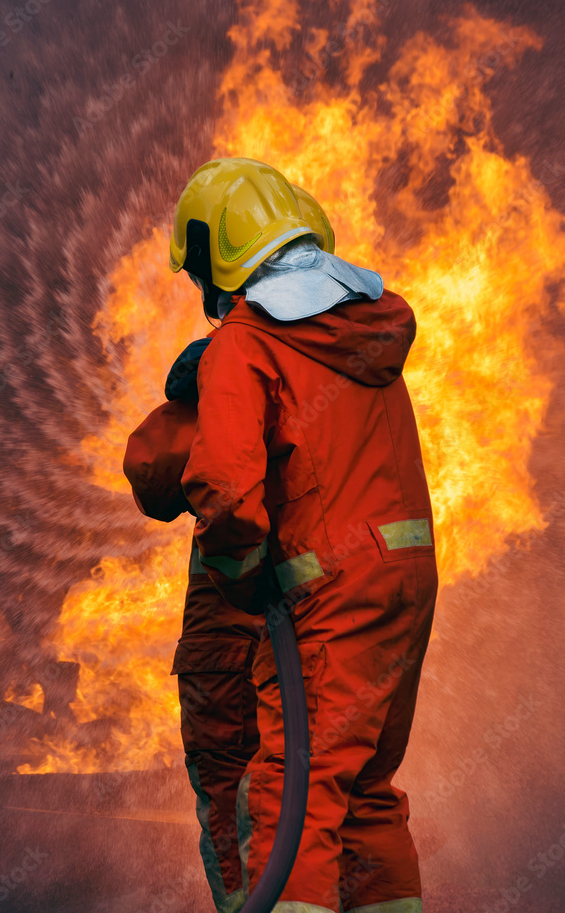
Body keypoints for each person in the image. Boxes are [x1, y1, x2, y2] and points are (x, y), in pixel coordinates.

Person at [123, 157, 438, 913]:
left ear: (215, 255)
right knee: (362, 787)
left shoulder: (247, 341)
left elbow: (221, 488)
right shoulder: (366, 331)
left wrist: (244, 580)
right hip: (404, 588)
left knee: (292, 794)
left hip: (325, 597)